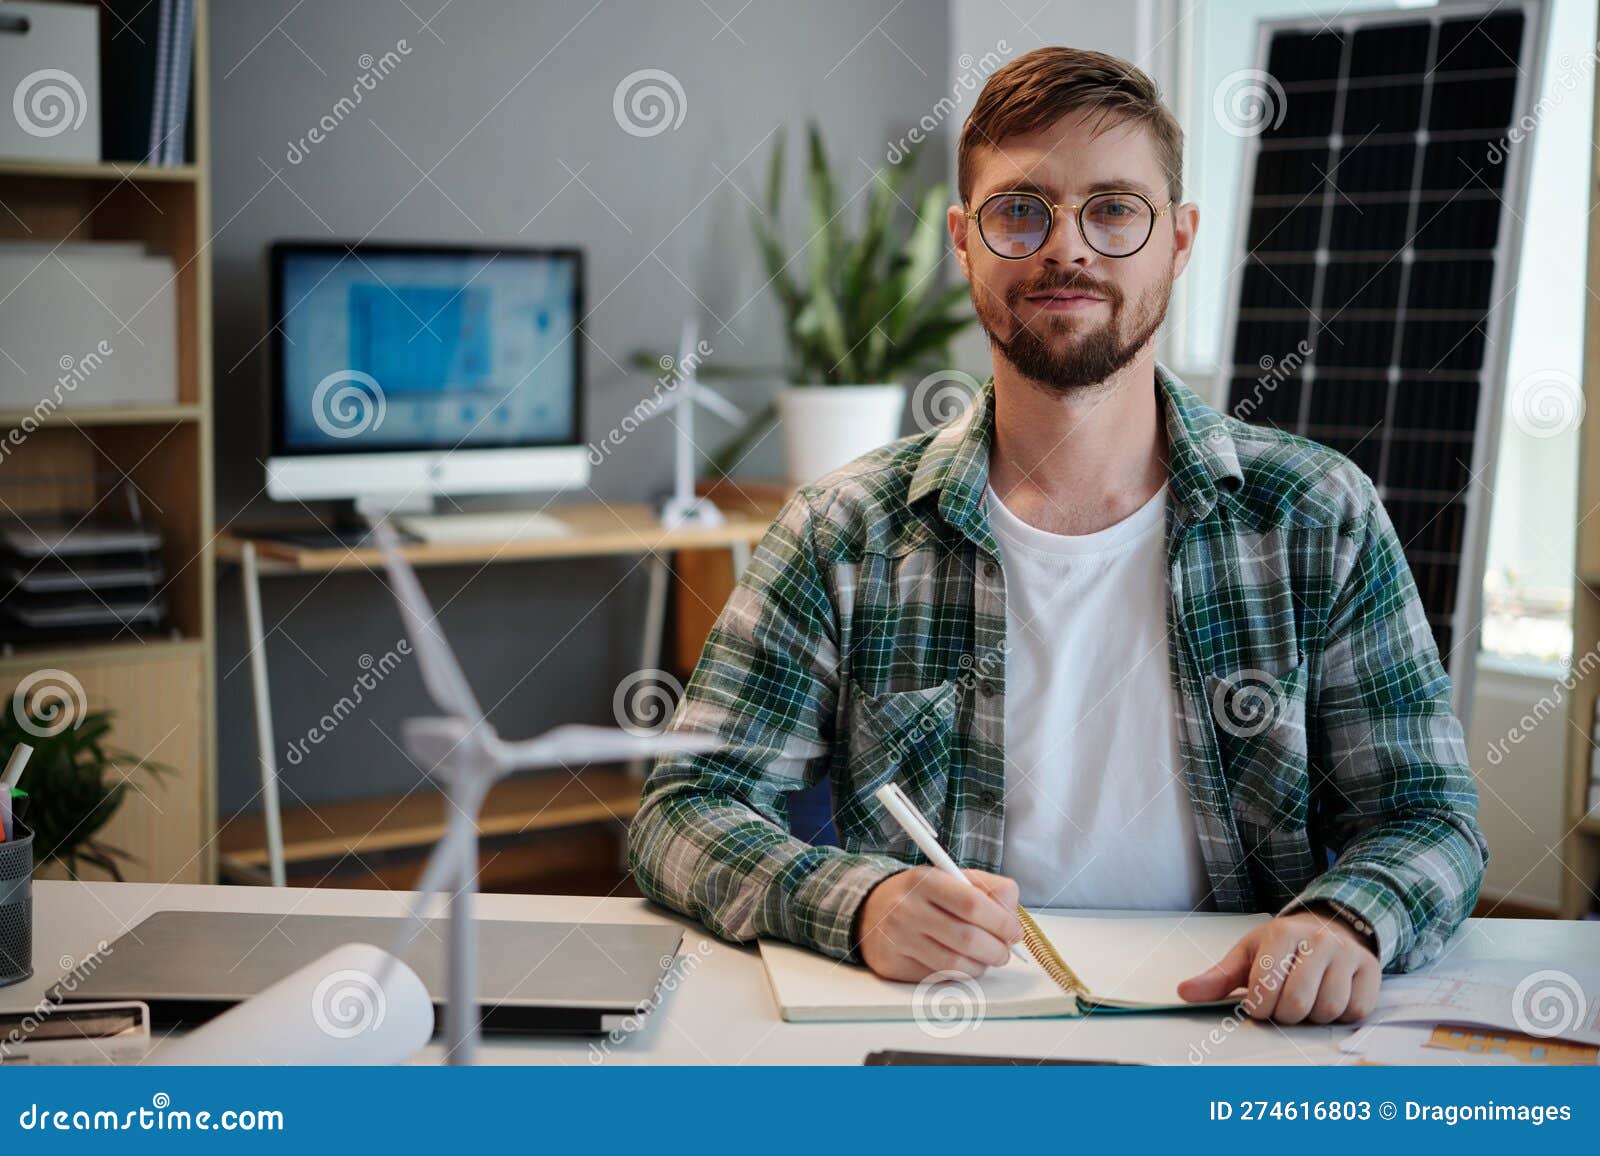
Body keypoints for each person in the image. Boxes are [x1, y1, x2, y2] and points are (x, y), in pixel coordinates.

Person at [628, 46, 1487, 1026]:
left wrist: (1347, 919)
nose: (1066, 248)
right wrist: (856, 903)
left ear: (1179, 239)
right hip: (941, 1025)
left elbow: (1428, 817)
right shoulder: (842, 528)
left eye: (1114, 209)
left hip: (1241, 1031)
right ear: (963, 240)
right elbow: (684, 810)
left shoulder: (1316, 513)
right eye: (1020, 209)